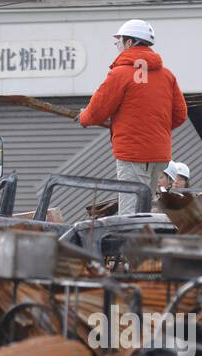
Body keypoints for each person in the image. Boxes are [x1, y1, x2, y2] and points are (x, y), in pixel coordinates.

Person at [80, 19, 188, 214]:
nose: (117, 46)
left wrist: (83, 118)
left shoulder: (120, 74)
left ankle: (131, 243)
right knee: (145, 208)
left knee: (130, 214)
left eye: (119, 41)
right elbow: (180, 115)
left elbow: (96, 112)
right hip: (159, 155)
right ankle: (143, 241)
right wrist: (154, 128)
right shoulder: (167, 76)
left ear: (130, 43)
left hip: (132, 154)